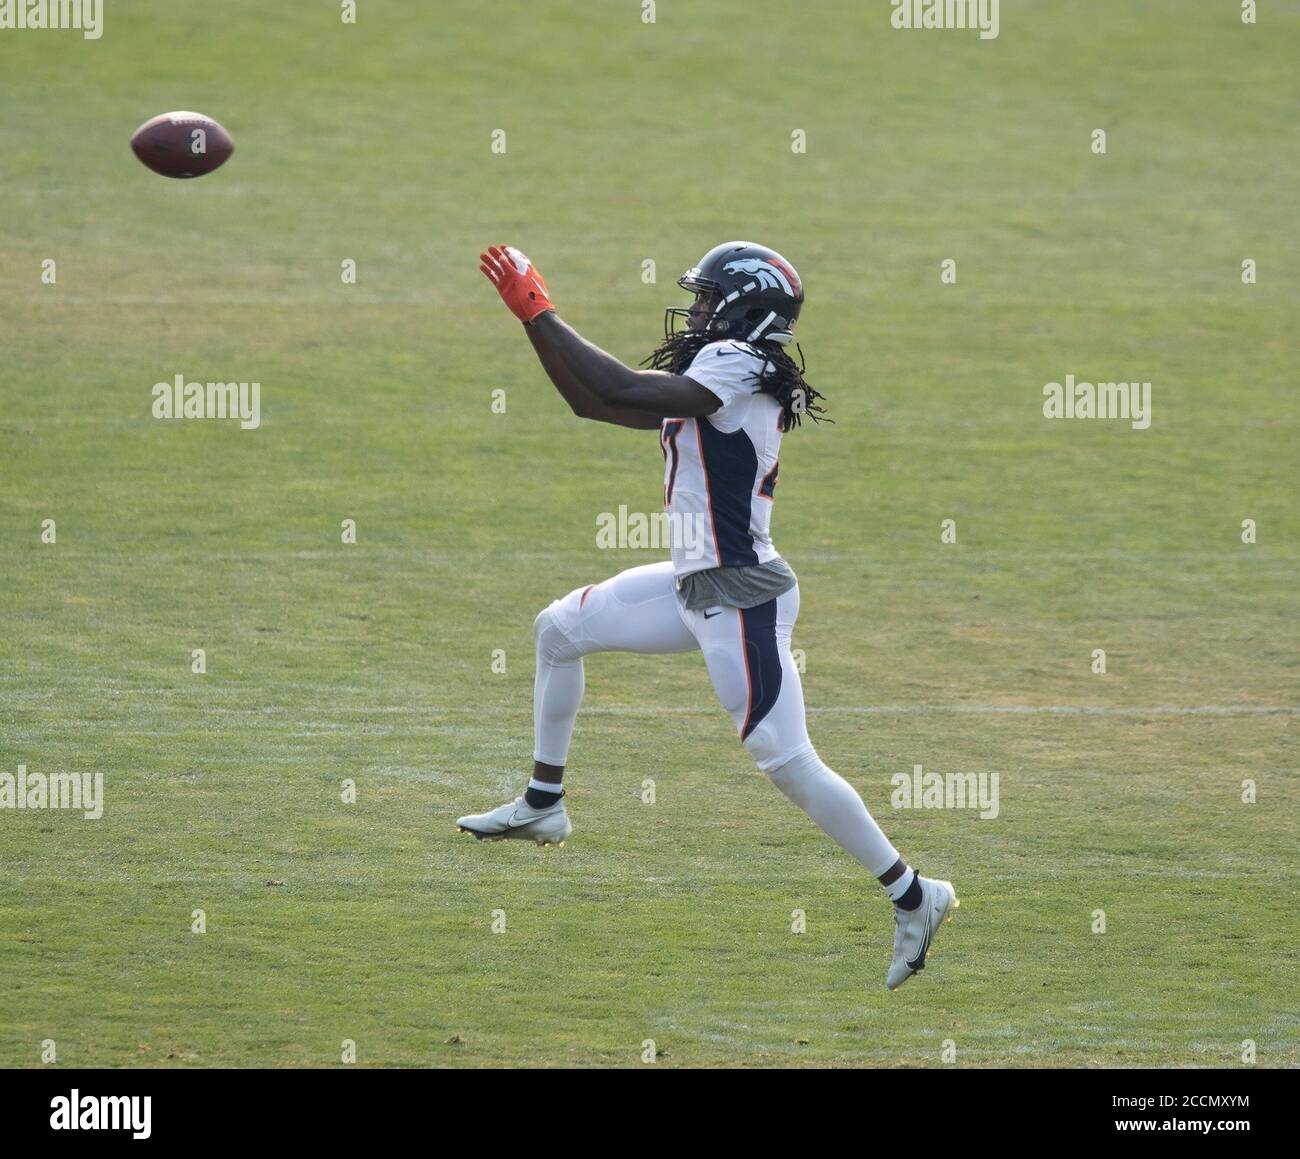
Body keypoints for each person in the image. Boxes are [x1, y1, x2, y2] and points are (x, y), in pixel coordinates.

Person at [459, 242, 957, 989]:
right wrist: (532, 323)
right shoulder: (725, 368)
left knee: (787, 761)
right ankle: (543, 803)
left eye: (706, 297)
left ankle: (915, 894)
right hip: (695, 583)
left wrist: (539, 306)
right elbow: (594, 400)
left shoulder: (737, 363)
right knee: (558, 630)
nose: (694, 310)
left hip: (738, 592)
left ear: (743, 307)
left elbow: (620, 382)